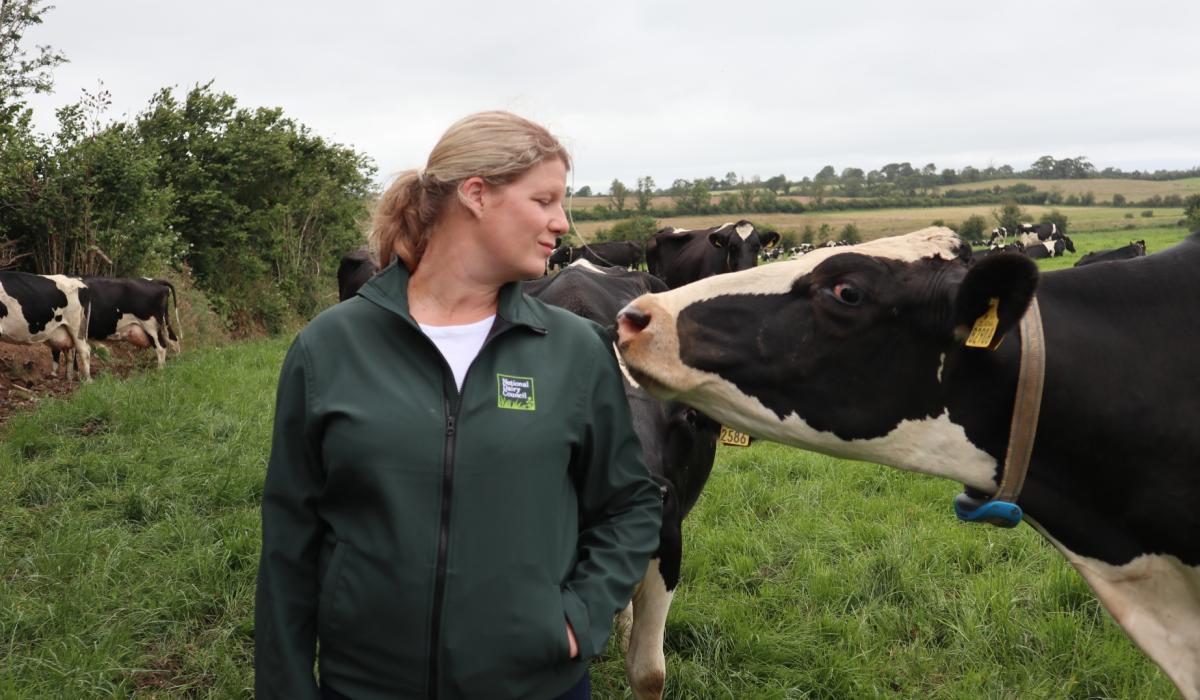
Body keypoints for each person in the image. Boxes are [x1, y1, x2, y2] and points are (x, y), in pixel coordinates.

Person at [254, 111, 662, 700]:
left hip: (536, 687)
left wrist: (580, 616)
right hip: (368, 687)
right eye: (544, 199)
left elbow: (630, 502)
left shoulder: (573, 349)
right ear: (476, 194)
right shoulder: (329, 348)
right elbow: (289, 540)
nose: (561, 223)